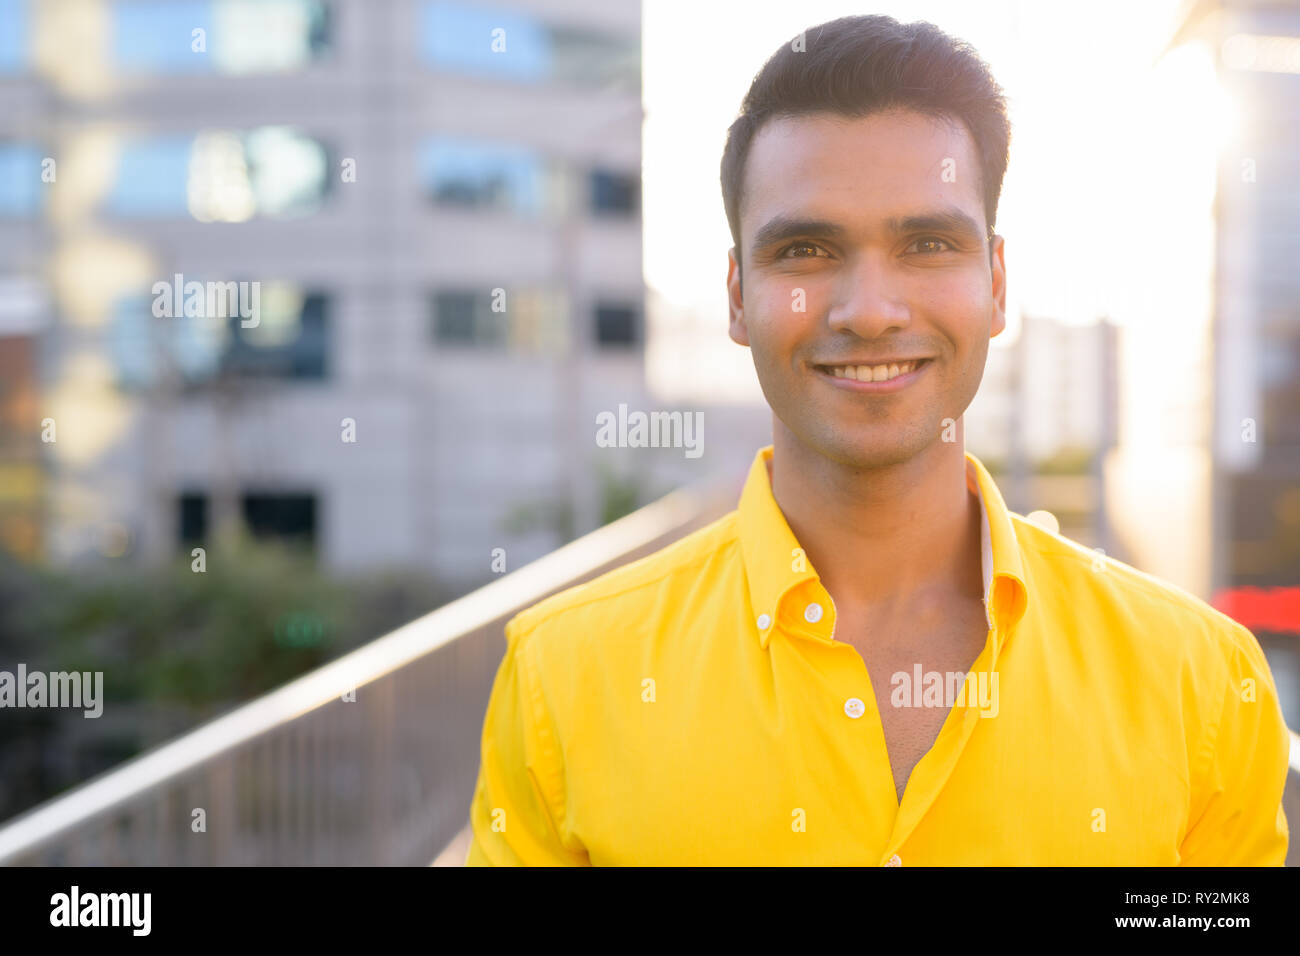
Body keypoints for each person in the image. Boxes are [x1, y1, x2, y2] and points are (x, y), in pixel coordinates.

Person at [465, 14, 1290, 865]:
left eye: (927, 244)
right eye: (806, 249)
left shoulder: (1201, 684)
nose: (868, 311)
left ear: (996, 283)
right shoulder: (562, 680)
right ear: (738, 296)